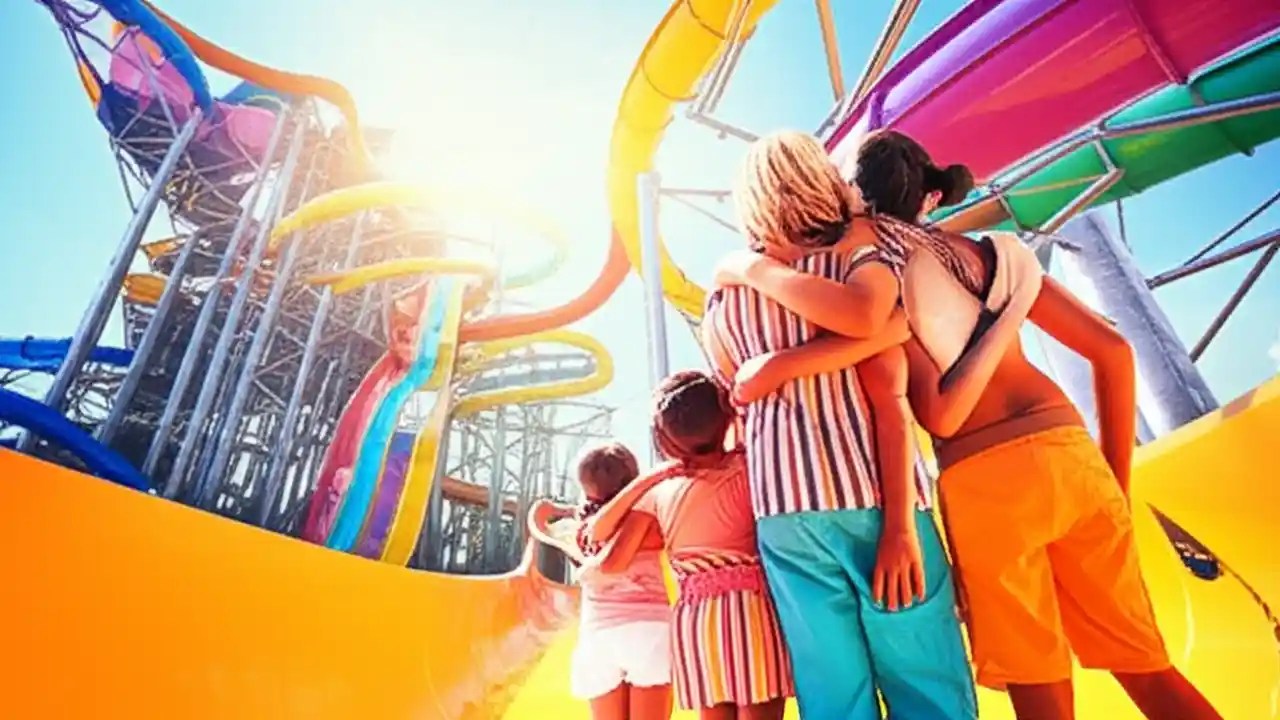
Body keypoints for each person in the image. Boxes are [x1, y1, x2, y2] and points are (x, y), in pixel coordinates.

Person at [718, 129, 1222, 720]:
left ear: (853, 195)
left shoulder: (873, 254)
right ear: (929, 195)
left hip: (987, 479)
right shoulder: (994, 253)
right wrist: (1116, 487)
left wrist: (776, 358)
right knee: (1148, 670)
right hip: (1073, 456)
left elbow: (937, 411)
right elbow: (1113, 353)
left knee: (1042, 692)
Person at [701, 130, 977, 720]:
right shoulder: (856, 258)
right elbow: (889, 401)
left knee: (831, 694)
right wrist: (902, 525)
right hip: (875, 497)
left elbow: (734, 391)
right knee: (924, 678)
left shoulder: (721, 301)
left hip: (782, 513)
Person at [586, 370, 793, 720]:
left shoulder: (659, 493)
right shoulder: (750, 467)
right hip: (753, 610)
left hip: (697, 619)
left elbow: (601, 543)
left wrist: (650, 477)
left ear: (663, 441)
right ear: (725, 418)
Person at [527, 442, 674, 720]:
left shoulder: (583, 529)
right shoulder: (650, 517)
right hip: (648, 628)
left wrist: (559, 508)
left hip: (600, 635)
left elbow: (538, 520)